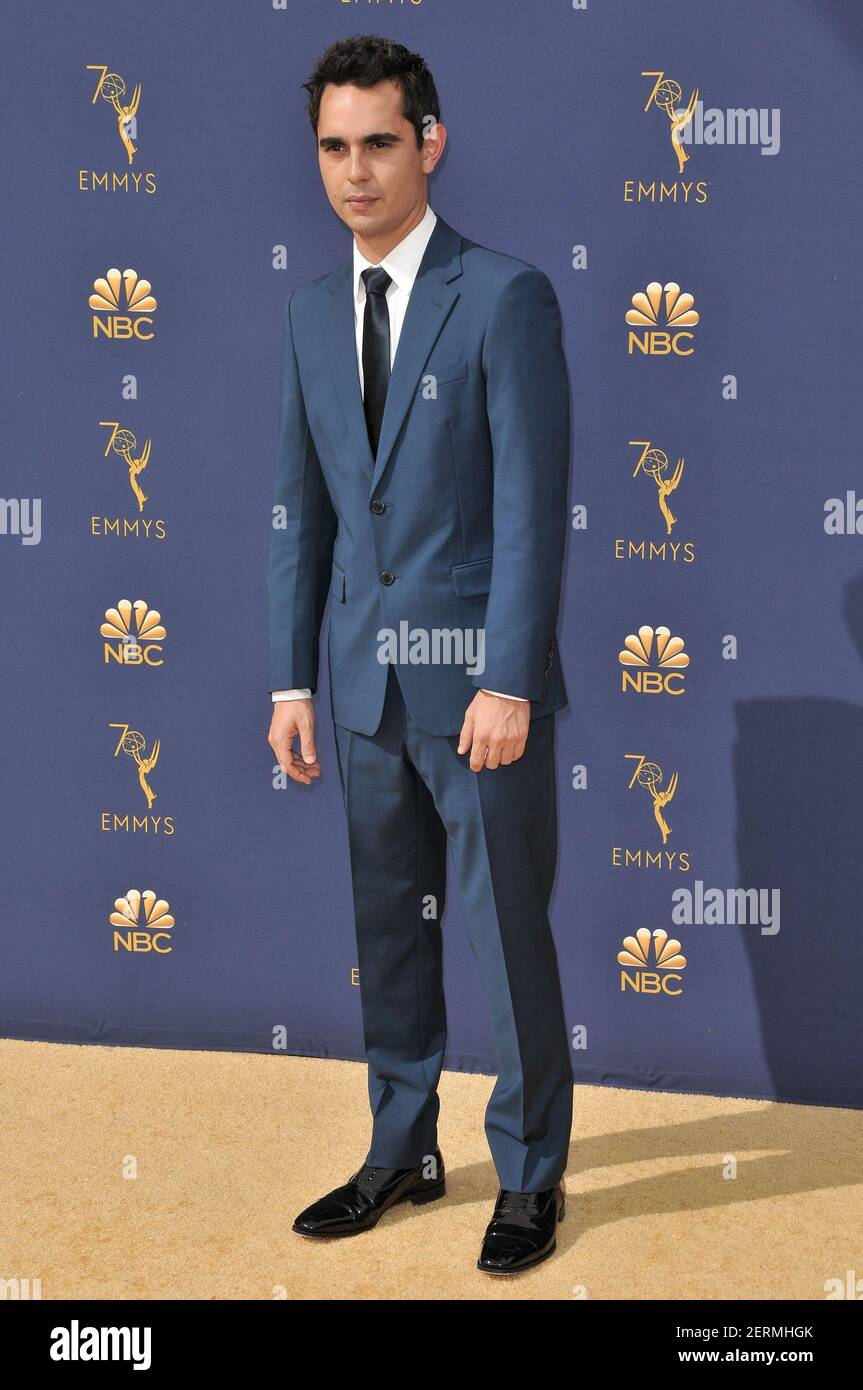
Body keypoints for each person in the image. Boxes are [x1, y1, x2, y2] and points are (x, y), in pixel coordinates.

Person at [267, 34, 573, 1274]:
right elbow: (303, 507)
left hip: (476, 693)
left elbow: (530, 508)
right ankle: (402, 1148)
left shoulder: (503, 296)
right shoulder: (304, 313)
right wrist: (293, 677)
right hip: (359, 690)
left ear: (429, 143)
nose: (354, 171)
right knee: (387, 926)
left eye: (379, 143)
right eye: (333, 147)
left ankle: (532, 1176)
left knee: (505, 939)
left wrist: (505, 675)